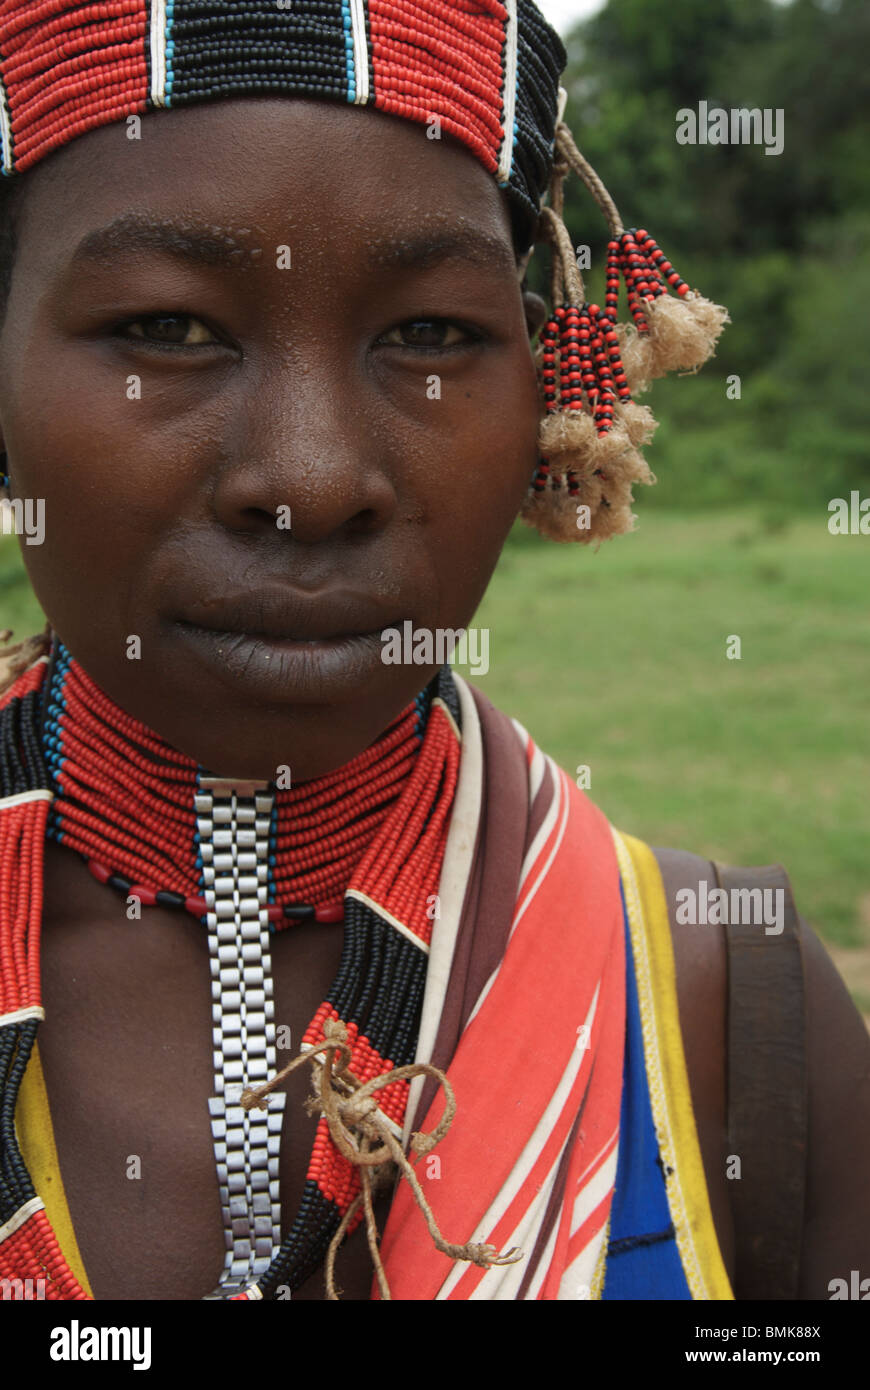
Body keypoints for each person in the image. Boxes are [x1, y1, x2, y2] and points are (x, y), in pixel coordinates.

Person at [0, 0, 867, 1304]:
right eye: (169, 328)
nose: (308, 476)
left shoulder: (723, 1015)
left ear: (543, 386)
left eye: (428, 334)